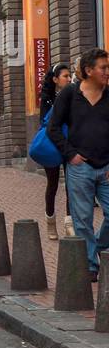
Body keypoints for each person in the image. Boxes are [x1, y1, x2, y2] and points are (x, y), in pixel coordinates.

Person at [48, 48, 109, 280]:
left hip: (106, 168)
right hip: (79, 167)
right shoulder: (70, 94)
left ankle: (98, 248)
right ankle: (92, 266)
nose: (107, 72)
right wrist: (70, 154)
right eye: (103, 68)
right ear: (88, 70)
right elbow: (53, 128)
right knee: (82, 220)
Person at [39, 61, 73, 240]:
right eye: (65, 76)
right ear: (55, 79)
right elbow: (45, 123)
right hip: (52, 145)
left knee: (71, 185)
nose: (69, 78)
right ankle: (50, 222)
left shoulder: (73, 95)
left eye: (70, 75)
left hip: (69, 145)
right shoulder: (47, 99)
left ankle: (69, 224)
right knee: (52, 184)